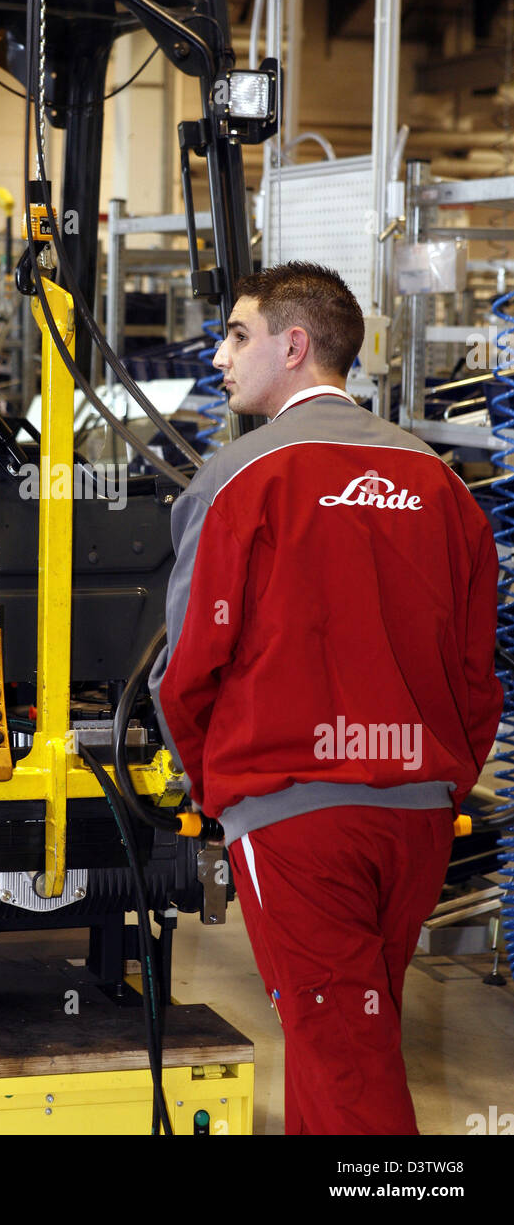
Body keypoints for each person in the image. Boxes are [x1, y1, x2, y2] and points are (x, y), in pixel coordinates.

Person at [149, 260, 502, 1135]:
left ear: (293, 343)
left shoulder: (235, 478)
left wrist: (213, 788)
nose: (222, 358)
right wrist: (439, 783)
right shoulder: (440, 484)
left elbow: (188, 668)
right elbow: (474, 674)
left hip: (295, 811)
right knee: (338, 1028)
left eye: (236, 335)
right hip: (416, 813)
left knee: (345, 1053)